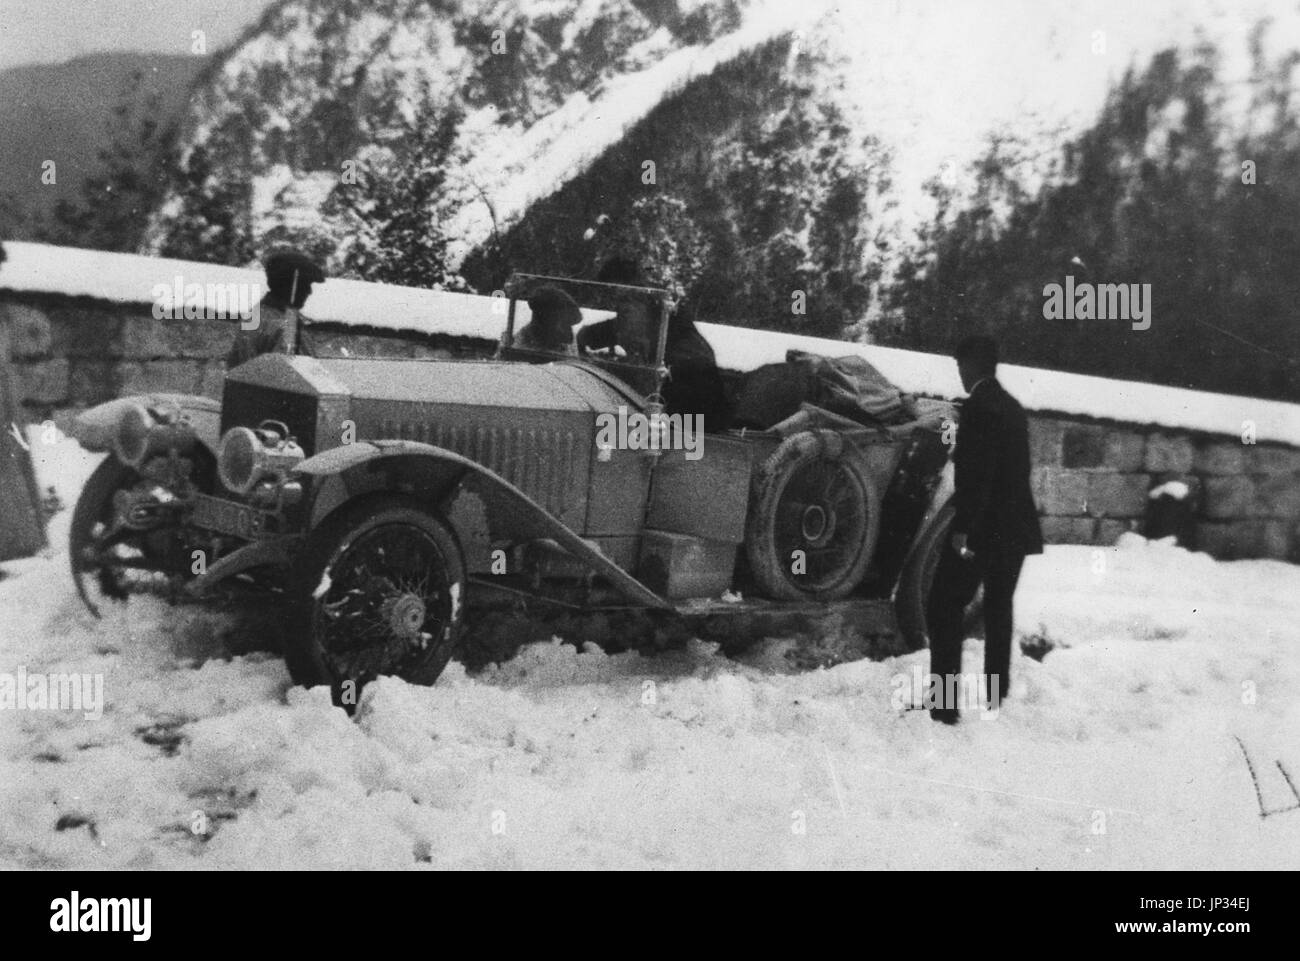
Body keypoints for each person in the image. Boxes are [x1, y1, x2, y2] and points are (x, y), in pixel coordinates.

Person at [926, 334, 1043, 724]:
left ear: (971, 366)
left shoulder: (978, 409)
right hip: (1017, 529)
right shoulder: (1012, 407)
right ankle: (997, 696)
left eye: (961, 366)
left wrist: (962, 530)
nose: (959, 373)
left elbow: (977, 478)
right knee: (998, 608)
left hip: (982, 532)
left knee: (943, 606)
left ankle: (943, 708)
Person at [577, 257, 731, 432]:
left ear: (627, 285)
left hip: (693, 412)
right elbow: (613, 329)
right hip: (670, 405)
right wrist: (584, 340)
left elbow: (695, 363)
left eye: (616, 291)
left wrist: (666, 374)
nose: (616, 301)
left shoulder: (662, 313)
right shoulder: (643, 307)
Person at [225, 248, 326, 368]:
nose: (309, 291)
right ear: (289, 286)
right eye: (305, 285)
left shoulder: (256, 316)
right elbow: (295, 377)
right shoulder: (286, 328)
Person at [511, 284, 582, 354]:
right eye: (564, 323)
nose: (569, 331)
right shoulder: (523, 341)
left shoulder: (568, 340)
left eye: (568, 325)